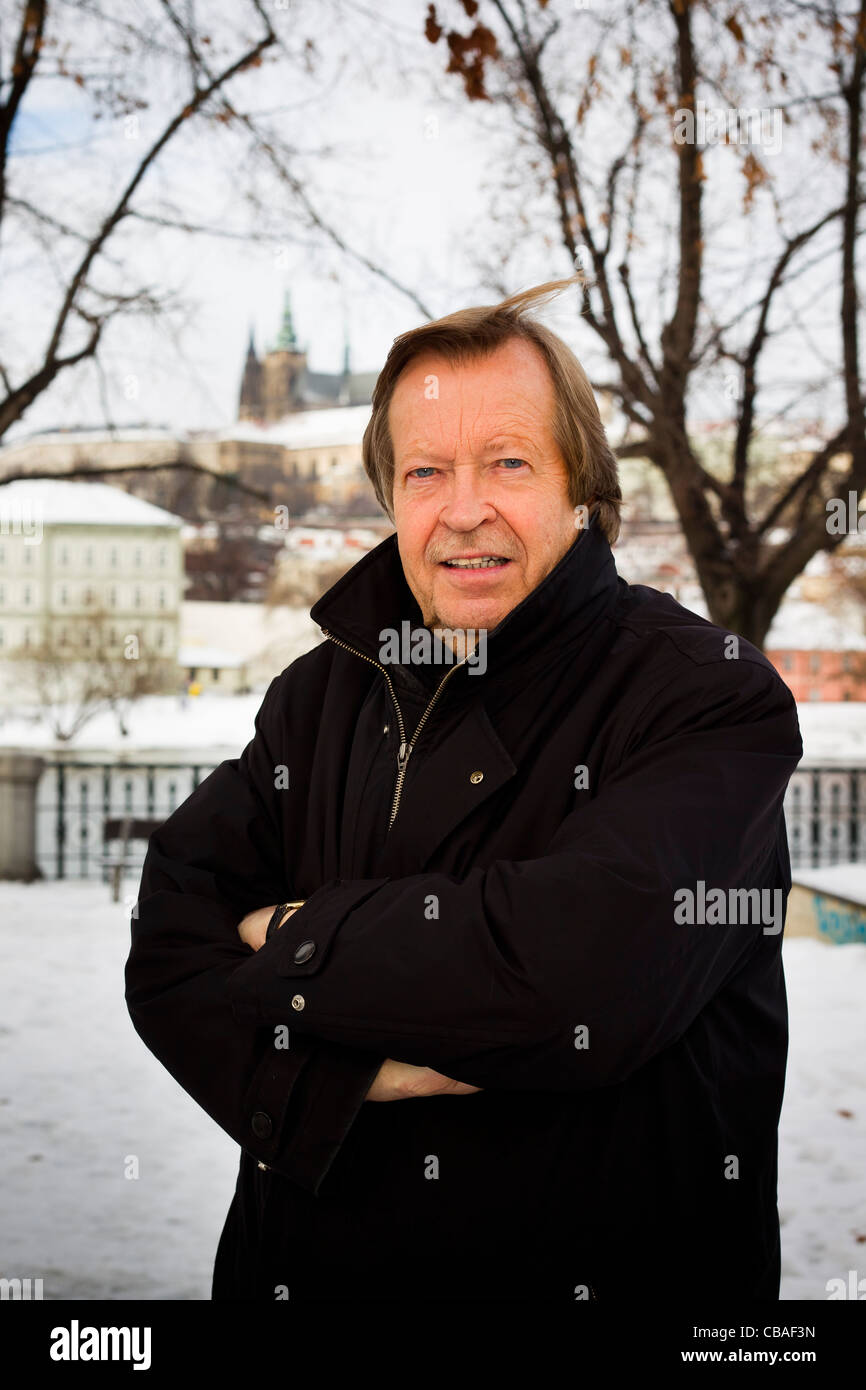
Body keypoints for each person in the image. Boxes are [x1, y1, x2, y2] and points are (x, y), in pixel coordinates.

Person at [125, 276, 803, 1302]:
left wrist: (288, 933)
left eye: (509, 463)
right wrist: (338, 1079)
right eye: (427, 470)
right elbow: (170, 937)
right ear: (389, 492)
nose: (464, 508)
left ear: (581, 484)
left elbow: (572, 975)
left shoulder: (705, 692)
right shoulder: (317, 694)